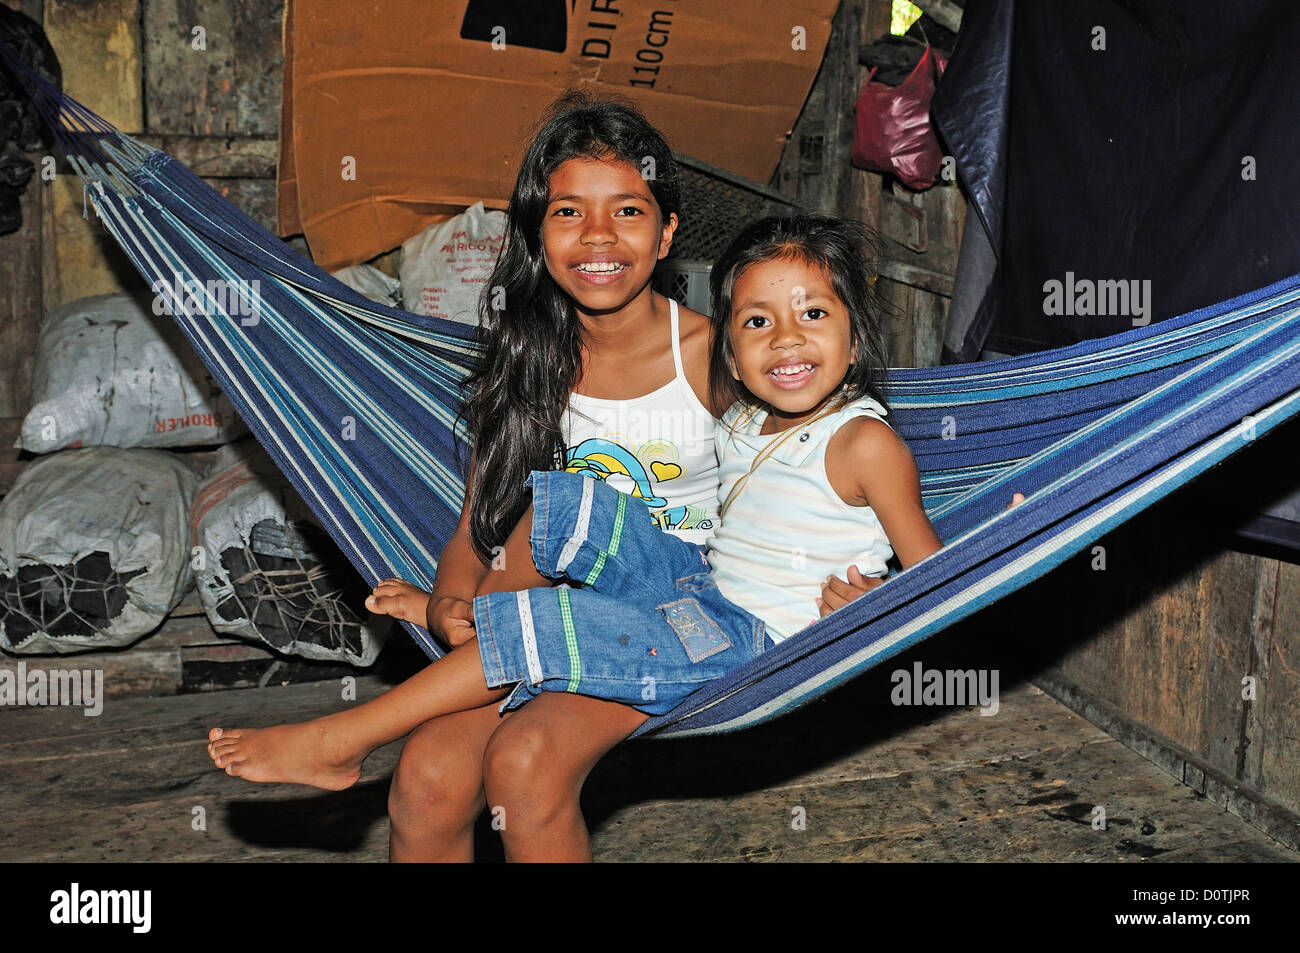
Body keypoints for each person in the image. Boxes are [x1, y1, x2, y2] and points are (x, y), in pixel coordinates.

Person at [207, 214, 1017, 857]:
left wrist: (879, 602)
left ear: (853, 331)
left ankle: (342, 737)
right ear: (729, 347)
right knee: (567, 499)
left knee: (557, 629)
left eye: (814, 314)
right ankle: (473, 615)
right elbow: (504, 508)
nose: (788, 339)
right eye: (760, 321)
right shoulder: (746, 419)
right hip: (692, 582)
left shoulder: (864, 442)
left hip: (741, 637)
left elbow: (937, 578)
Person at [205, 90, 737, 862]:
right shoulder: (527, 368)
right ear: (535, 233)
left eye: (627, 210)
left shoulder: (719, 362)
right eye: (567, 213)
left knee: (523, 765)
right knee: (424, 776)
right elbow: (477, 528)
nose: (598, 237)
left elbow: (806, 475)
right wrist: (453, 601)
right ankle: (436, 672)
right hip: (533, 613)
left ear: (667, 233)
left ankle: (341, 735)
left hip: (675, 625)